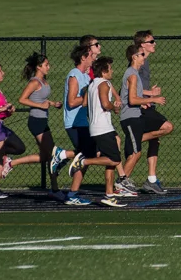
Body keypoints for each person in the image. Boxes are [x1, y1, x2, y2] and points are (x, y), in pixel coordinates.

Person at [0, 62, 42, 199]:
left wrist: (8, 111)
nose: (3, 73)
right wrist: (1, 109)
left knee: (19, 147)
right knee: (0, 159)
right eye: (1, 71)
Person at [67, 54, 126, 207]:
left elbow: (85, 103)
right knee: (115, 159)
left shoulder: (92, 84)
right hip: (103, 128)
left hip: (97, 127)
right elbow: (106, 104)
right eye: (110, 68)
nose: (112, 71)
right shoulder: (105, 84)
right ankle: (83, 161)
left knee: (110, 163)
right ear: (105, 71)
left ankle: (109, 195)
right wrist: (115, 108)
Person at [15, 52, 71, 192]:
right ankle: (55, 189)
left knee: (46, 156)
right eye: (46, 65)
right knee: (53, 155)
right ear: (39, 67)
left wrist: (52, 103)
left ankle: (12, 163)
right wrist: (40, 106)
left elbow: (40, 99)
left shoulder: (44, 81)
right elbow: (22, 99)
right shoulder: (34, 82)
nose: (49, 67)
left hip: (42, 121)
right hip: (36, 122)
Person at [119, 44, 169, 194]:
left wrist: (148, 97)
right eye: (141, 54)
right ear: (134, 57)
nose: (143, 57)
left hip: (136, 117)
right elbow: (133, 100)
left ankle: (122, 183)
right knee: (135, 153)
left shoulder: (134, 73)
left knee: (136, 152)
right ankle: (120, 184)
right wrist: (154, 98)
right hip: (130, 117)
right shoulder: (132, 75)